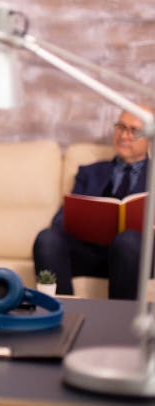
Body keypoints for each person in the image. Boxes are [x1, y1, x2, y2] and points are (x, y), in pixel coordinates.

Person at [33, 107, 151, 299]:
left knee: (128, 240)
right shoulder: (90, 172)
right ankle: (61, 312)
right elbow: (60, 221)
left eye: (133, 130)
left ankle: (121, 322)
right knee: (47, 238)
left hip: (135, 257)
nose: (124, 135)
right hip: (90, 253)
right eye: (120, 127)